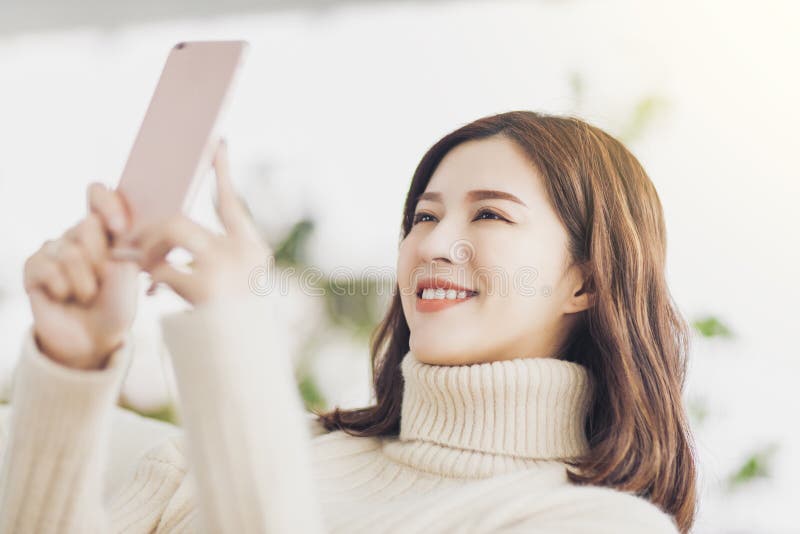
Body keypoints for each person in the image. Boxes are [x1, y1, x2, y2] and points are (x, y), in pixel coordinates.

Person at [0, 111, 696, 534]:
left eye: (489, 214)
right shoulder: (249, 452)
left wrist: (235, 336)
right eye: (423, 216)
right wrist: (71, 364)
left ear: (586, 280)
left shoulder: (594, 524)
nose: (433, 243)